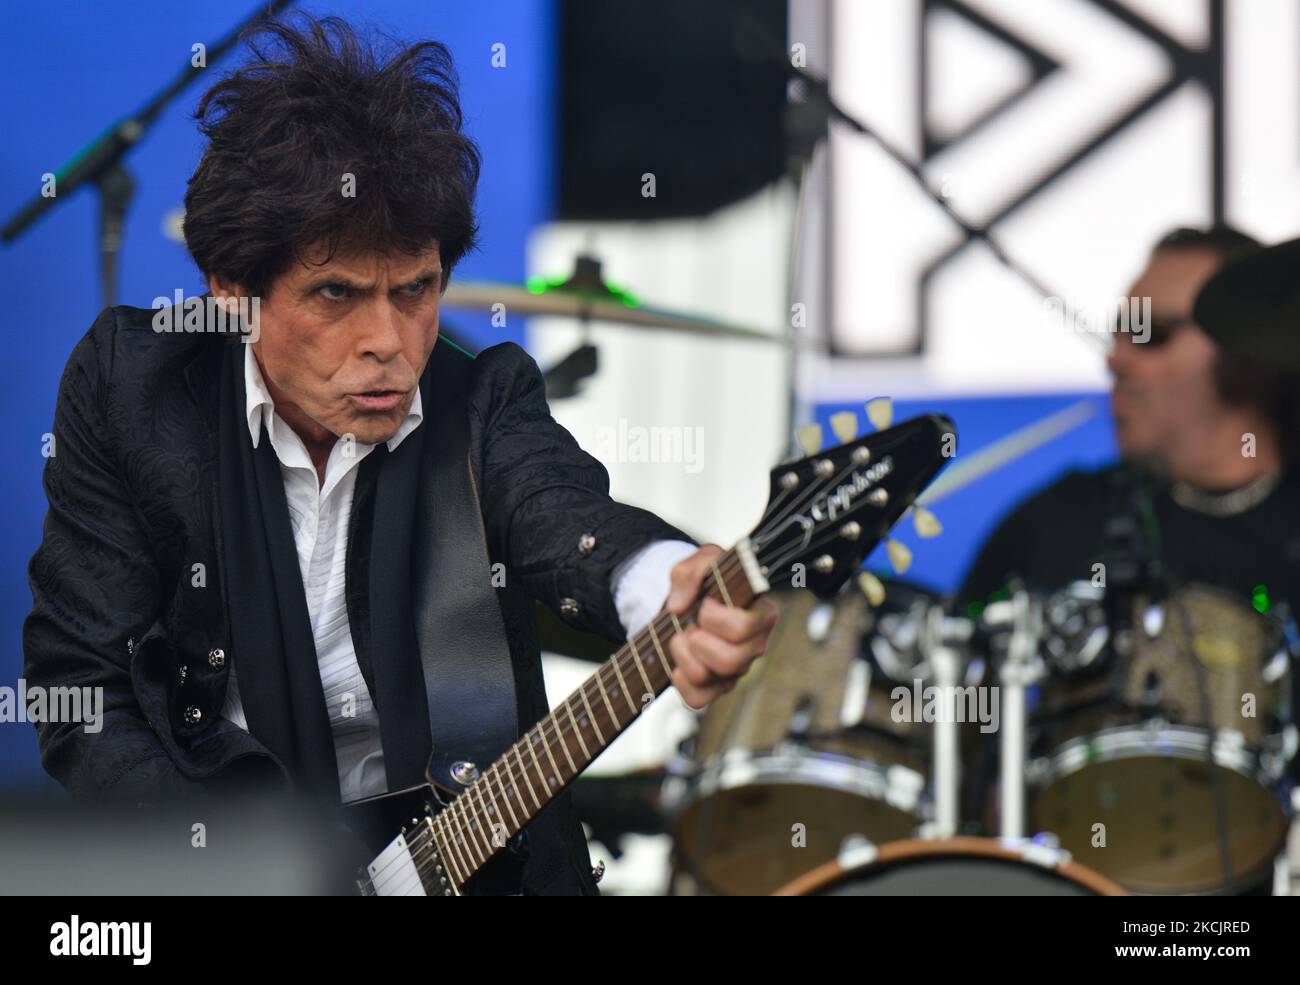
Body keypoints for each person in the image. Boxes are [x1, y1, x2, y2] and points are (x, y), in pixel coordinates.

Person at [21, 16, 777, 896]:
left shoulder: (481, 402)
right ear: (232, 293)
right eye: (336, 293)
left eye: (414, 289)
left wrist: (665, 583)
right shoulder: (132, 386)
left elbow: (559, 508)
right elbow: (79, 686)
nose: (387, 341)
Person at [961, 225, 1300, 622]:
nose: (1114, 360)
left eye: (1150, 334)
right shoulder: (1054, 525)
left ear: (1252, 345)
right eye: (1117, 334)